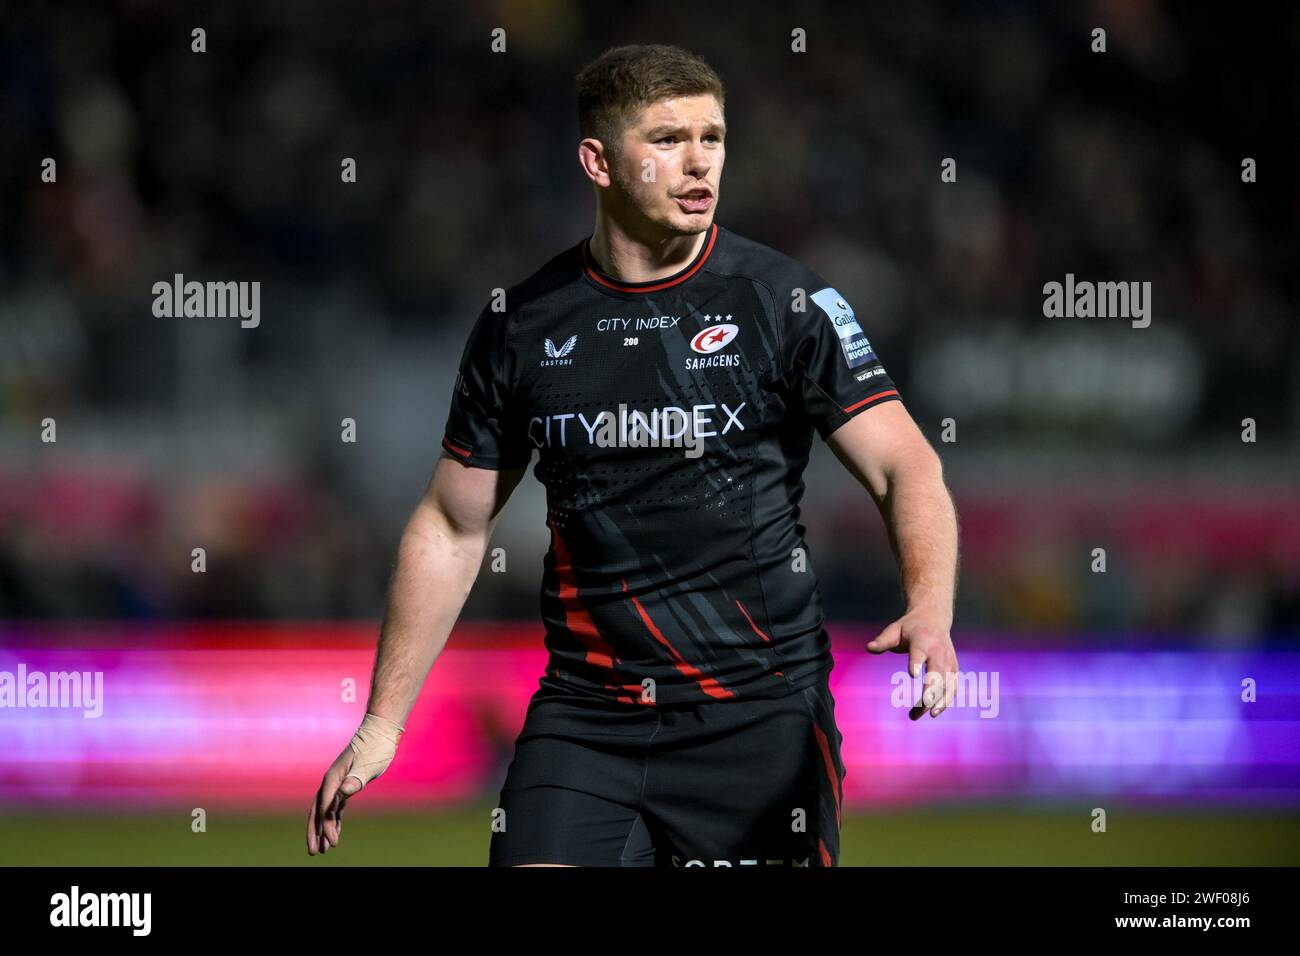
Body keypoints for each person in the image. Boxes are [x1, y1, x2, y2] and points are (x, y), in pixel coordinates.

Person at [308, 43, 960, 867]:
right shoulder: (524, 324)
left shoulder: (786, 303)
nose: (698, 163)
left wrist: (929, 606)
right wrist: (381, 723)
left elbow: (909, 464)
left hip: (757, 719)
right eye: (666, 139)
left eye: (713, 138)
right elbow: (451, 525)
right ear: (598, 161)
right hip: (586, 721)